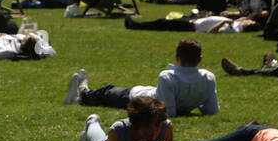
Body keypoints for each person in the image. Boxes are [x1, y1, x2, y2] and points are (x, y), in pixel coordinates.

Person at [65, 39, 219, 116]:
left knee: (107, 91)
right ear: (200, 59)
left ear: (177, 58)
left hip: (139, 99)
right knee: (108, 91)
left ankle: (81, 95)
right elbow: (211, 110)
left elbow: (168, 112)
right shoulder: (209, 78)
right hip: (146, 94)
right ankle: (84, 91)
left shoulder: (168, 77)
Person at [78, 95, 173, 141]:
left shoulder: (166, 125)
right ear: (136, 125)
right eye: (148, 127)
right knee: (96, 139)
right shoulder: (119, 129)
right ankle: (92, 121)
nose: (154, 130)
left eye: (158, 125)